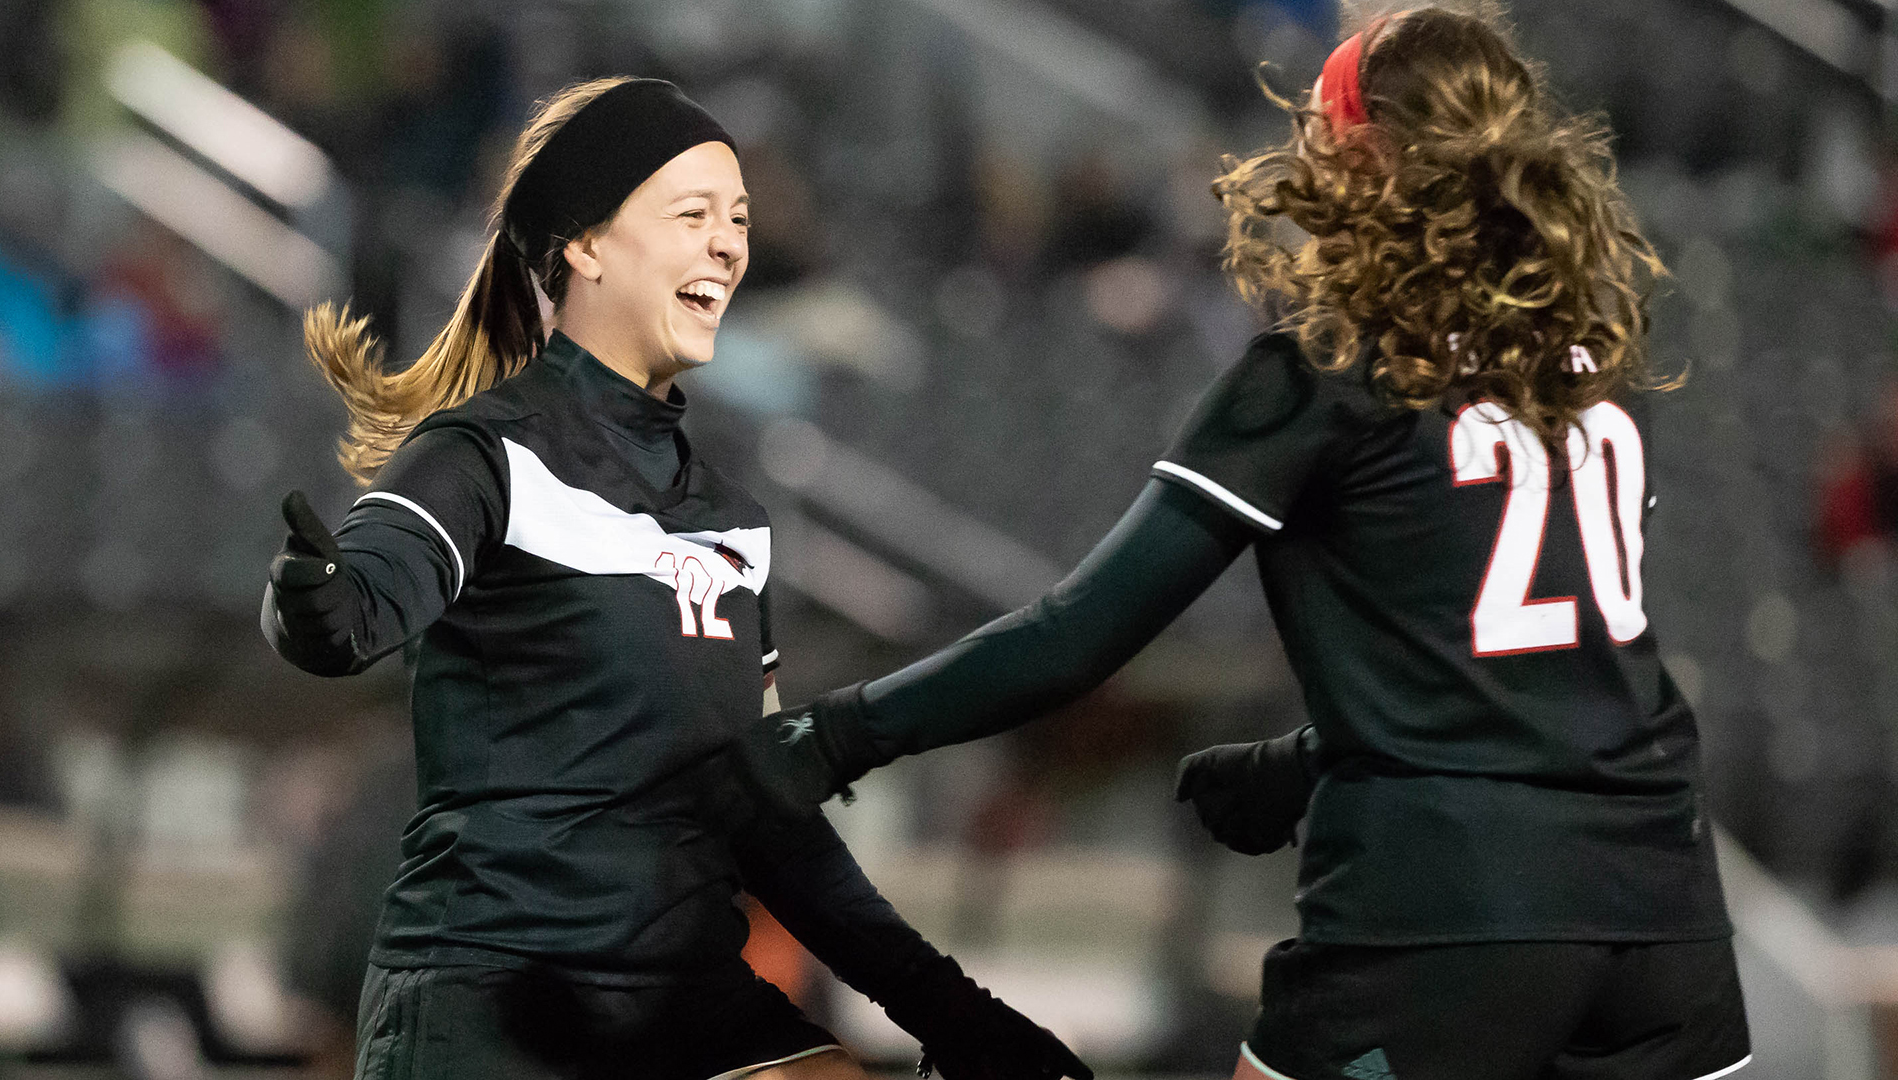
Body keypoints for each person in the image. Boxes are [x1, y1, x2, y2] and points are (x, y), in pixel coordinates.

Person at [733, 8, 1752, 1079]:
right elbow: (1547, 673)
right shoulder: (1589, 363)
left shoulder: (1325, 368)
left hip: (1446, 909)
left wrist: (832, 737)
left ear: (1357, 159)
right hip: (1664, 915)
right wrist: (1311, 760)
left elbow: (1077, 634)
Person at [261, 76, 1090, 1080]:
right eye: (693, 215)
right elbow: (359, 605)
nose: (729, 246)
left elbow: (772, 819)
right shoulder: (479, 457)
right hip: (491, 1002)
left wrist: (954, 1012)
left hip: (674, 999)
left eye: (738, 220)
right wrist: (314, 605)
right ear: (586, 245)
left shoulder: (731, 520)